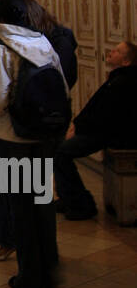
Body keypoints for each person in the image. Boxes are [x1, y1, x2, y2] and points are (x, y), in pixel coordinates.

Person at [0, 0, 68, 288]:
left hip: (14, 137)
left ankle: (30, 277)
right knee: (42, 202)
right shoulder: (42, 43)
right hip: (44, 135)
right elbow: (62, 88)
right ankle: (50, 268)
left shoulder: (1, 47)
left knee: (21, 207)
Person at [53, 40, 137, 220]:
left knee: (61, 152)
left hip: (114, 135)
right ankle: (68, 198)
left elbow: (104, 116)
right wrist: (77, 125)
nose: (111, 51)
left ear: (126, 62)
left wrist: (79, 129)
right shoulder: (118, 77)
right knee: (59, 148)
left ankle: (81, 203)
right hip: (103, 130)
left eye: (117, 51)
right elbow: (96, 108)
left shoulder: (124, 81)